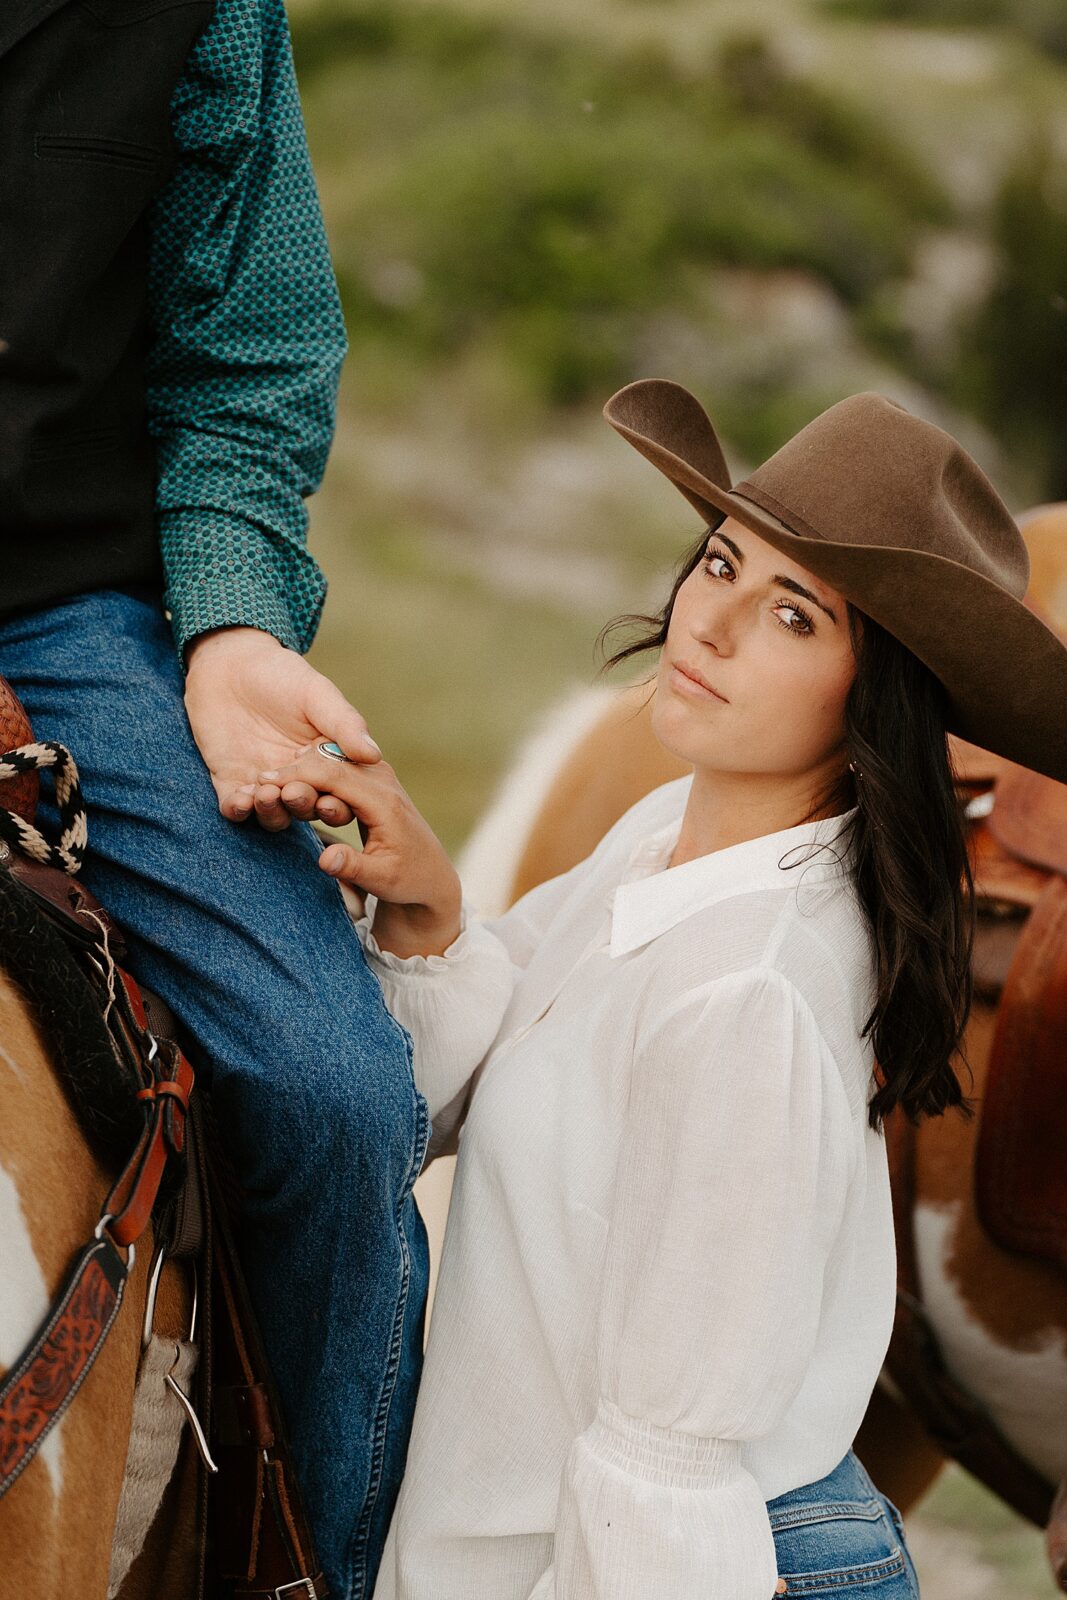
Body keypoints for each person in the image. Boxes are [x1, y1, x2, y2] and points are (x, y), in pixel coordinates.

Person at [252, 380, 1067, 1600]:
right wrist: (431, 919)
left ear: (878, 693)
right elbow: (455, 1087)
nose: (711, 624)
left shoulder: (748, 993)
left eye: (791, 616)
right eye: (720, 562)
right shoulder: (660, 837)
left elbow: (666, 1473)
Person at [0, 2, 427, 1593]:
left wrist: (234, 625)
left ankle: (309, 1564)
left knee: (334, 1092)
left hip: (53, 621)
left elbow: (246, 363)